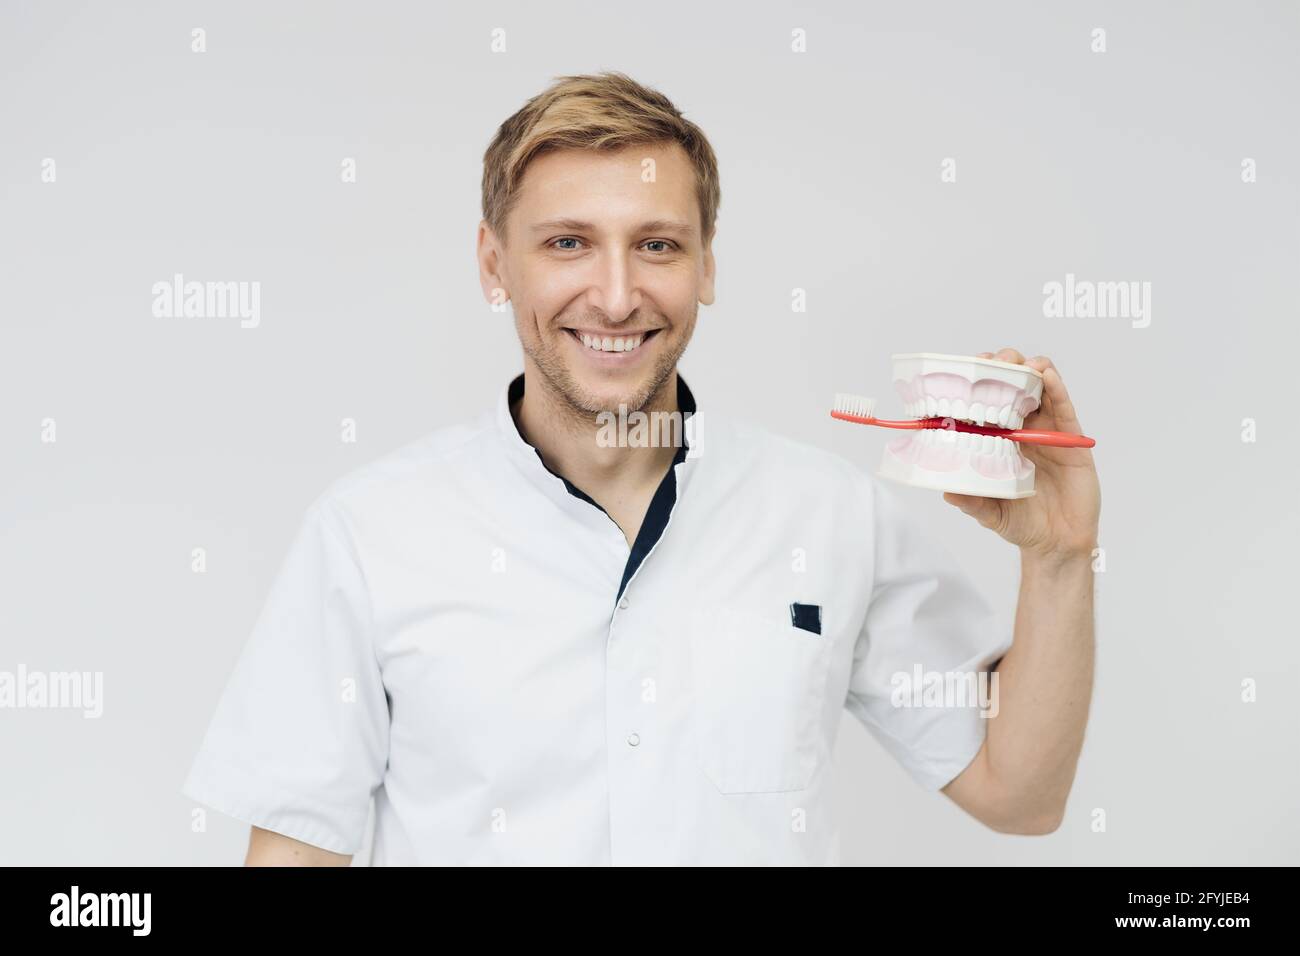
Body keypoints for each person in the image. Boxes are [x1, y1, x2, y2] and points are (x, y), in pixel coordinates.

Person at [182, 71, 1100, 866]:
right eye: (567, 242)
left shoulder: (830, 517)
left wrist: (1059, 557)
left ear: (706, 266)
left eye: (657, 244)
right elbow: (296, 852)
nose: (616, 296)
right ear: (494, 263)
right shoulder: (369, 535)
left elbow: (1018, 797)